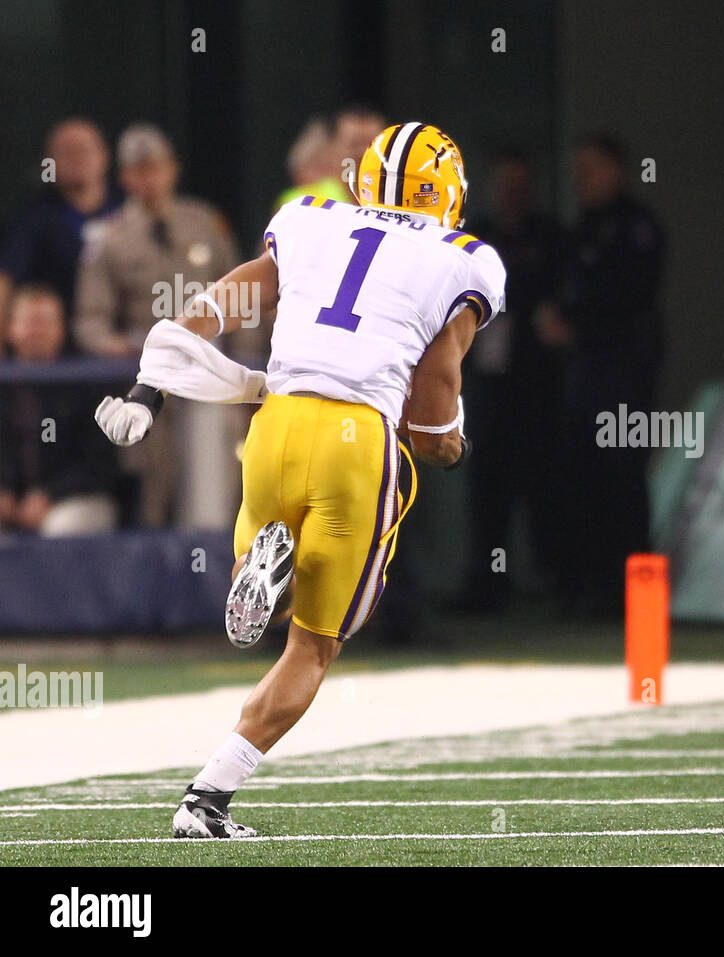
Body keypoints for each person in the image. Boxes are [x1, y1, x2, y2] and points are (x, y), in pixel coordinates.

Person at [93, 121, 507, 837]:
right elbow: (434, 398)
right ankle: (206, 799)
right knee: (313, 645)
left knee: (262, 584)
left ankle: (260, 568)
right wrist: (451, 451)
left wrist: (152, 385)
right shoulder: (462, 259)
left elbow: (224, 300)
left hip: (274, 425)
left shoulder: (310, 219)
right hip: (355, 442)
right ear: (447, 195)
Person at [74, 124, 241, 528]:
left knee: (214, 489)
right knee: (153, 484)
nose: (150, 178)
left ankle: (211, 574)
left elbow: (242, 293)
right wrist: (112, 345)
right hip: (149, 377)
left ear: (173, 170)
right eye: (139, 170)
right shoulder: (110, 239)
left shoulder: (205, 223)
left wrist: (245, 365)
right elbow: (89, 318)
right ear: (125, 177)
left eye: (157, 167)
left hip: (209, 376)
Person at [538, 134, 664, 617]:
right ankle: (591, 590)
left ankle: (640, 598)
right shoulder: (580, 229)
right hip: (583, 378)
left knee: (625, 482)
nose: (581, 181)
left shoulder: (638, 228)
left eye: (591, 170)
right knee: (581, 481)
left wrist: (577, 324)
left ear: (617, 169)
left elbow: (631, 297)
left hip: (624, 377)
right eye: (578, 171)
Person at [451, 150, 564, 612]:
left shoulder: (548, 237)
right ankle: (486, 582)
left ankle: (553, 582)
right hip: (487, 380)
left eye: (521, 184)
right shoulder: (479, 236)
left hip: (536, 382)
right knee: (486, 485)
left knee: (542, 484)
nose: (511, 195)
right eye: (505, 184)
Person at [0, 284, 118, 535]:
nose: (37, 331)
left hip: (75, 500)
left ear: (62, 328)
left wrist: (50, 495)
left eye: (45, 323)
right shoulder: (5, 386)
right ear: (10, 328)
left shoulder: (87, 384)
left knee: (61, 527)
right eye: (30, 322)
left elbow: (101, 464)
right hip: (10, 503)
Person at [0, 118, 123, 350]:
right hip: (51, 354)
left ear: (104, 156)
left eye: (83, 150)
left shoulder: (127, 212)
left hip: (116, 346)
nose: (76, 158)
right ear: (50, 162)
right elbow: (5, 278)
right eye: (66, 152)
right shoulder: (35, 216)